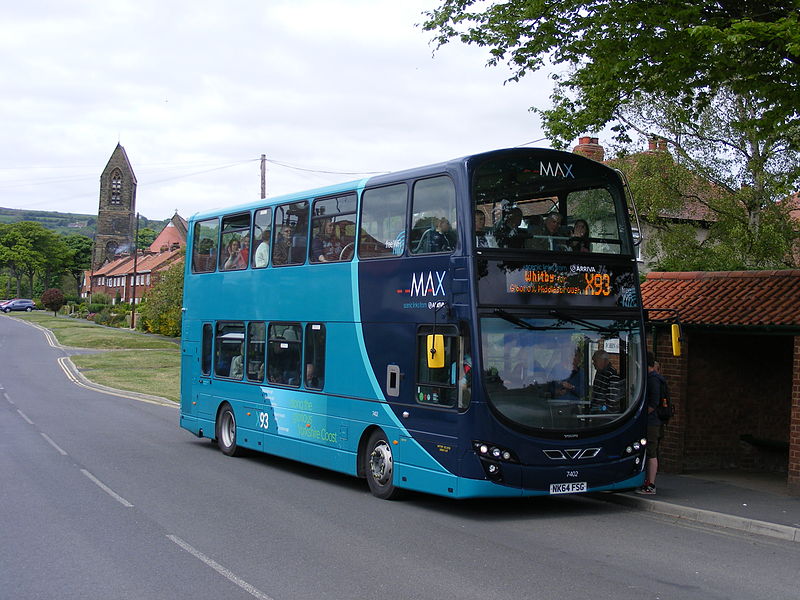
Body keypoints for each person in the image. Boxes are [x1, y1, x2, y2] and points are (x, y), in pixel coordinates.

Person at [638, 352, 666, 495]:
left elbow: (654, 403)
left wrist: (641, 416)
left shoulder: (653, 379)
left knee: (651, 451)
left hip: (652, 422)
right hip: (650, 421)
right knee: (648, 451)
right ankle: (646, 482)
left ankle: (651, 484)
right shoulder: (649, 378)